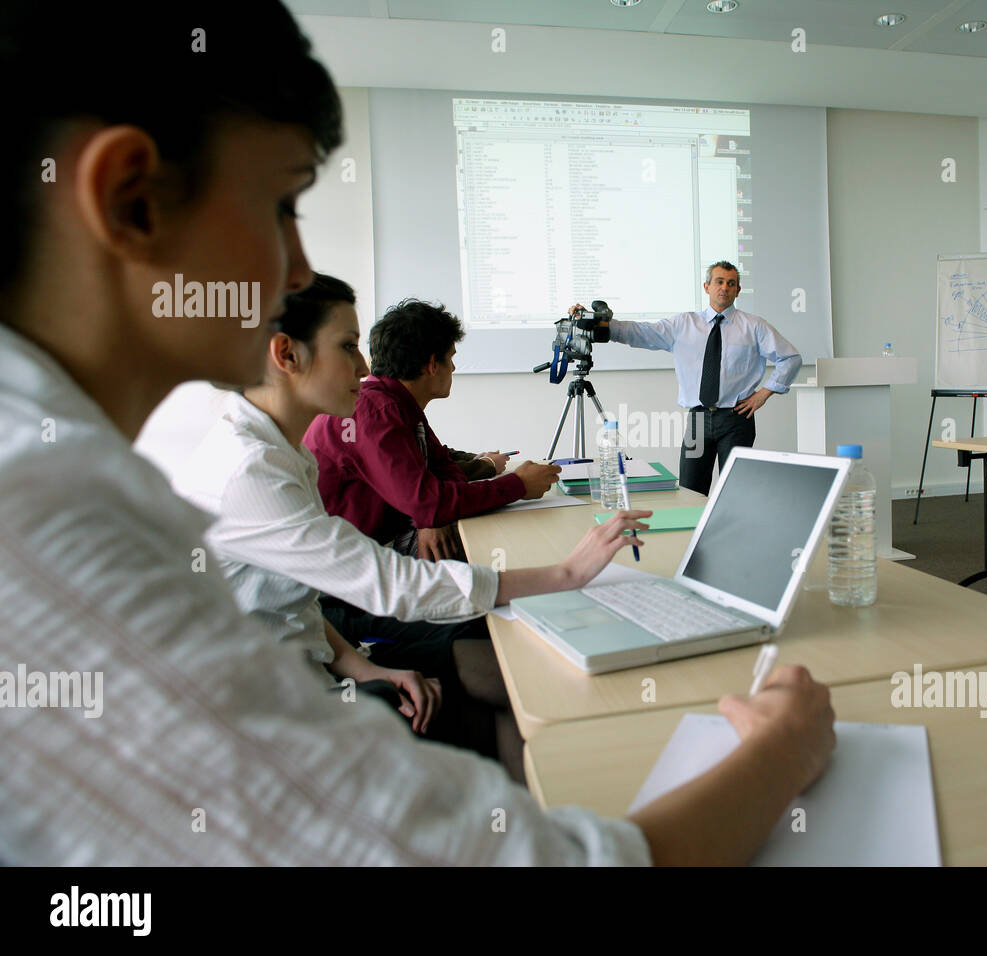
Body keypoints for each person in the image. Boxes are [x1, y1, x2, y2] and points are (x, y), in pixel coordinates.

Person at [0, 0, 835, 866]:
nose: (293, 264)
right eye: (282, 201)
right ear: (130, 201)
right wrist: (783, 749)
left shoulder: (100, 469)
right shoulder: (50, 520)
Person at [165, 272, 528, 776]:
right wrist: (566, 574)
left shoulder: (284, 448)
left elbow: (297, 603)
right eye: (348, 346)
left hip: (326, 639)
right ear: (287, 355)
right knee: (488, 655)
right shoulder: (252, 470)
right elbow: (397, 562)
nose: (363, 365)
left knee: (491, 655)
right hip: (277, 697)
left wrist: (366, 668)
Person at [305, 299, 561, 562]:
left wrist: (430, 514)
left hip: (375, 539)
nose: (453, 368)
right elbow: (430, 502)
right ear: (431, 365)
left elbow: (444, 475)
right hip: (342, 562)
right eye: (450, 359)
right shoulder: (374, 411)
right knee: (497, 552)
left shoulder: (399, 405)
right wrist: (518, 484)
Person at [579, 261, 802, 495]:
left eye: (731, 283)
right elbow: (641, 333)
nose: (724, 287)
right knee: (690, 490)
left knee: (736, 491)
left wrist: (763, 394)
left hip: (737, 420)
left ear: (738, 290)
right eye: (719, 282)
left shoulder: (754, 326)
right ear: (707, 287)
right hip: (697, 421)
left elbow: (790, 358)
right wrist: (599, 323)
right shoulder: (684, 324)